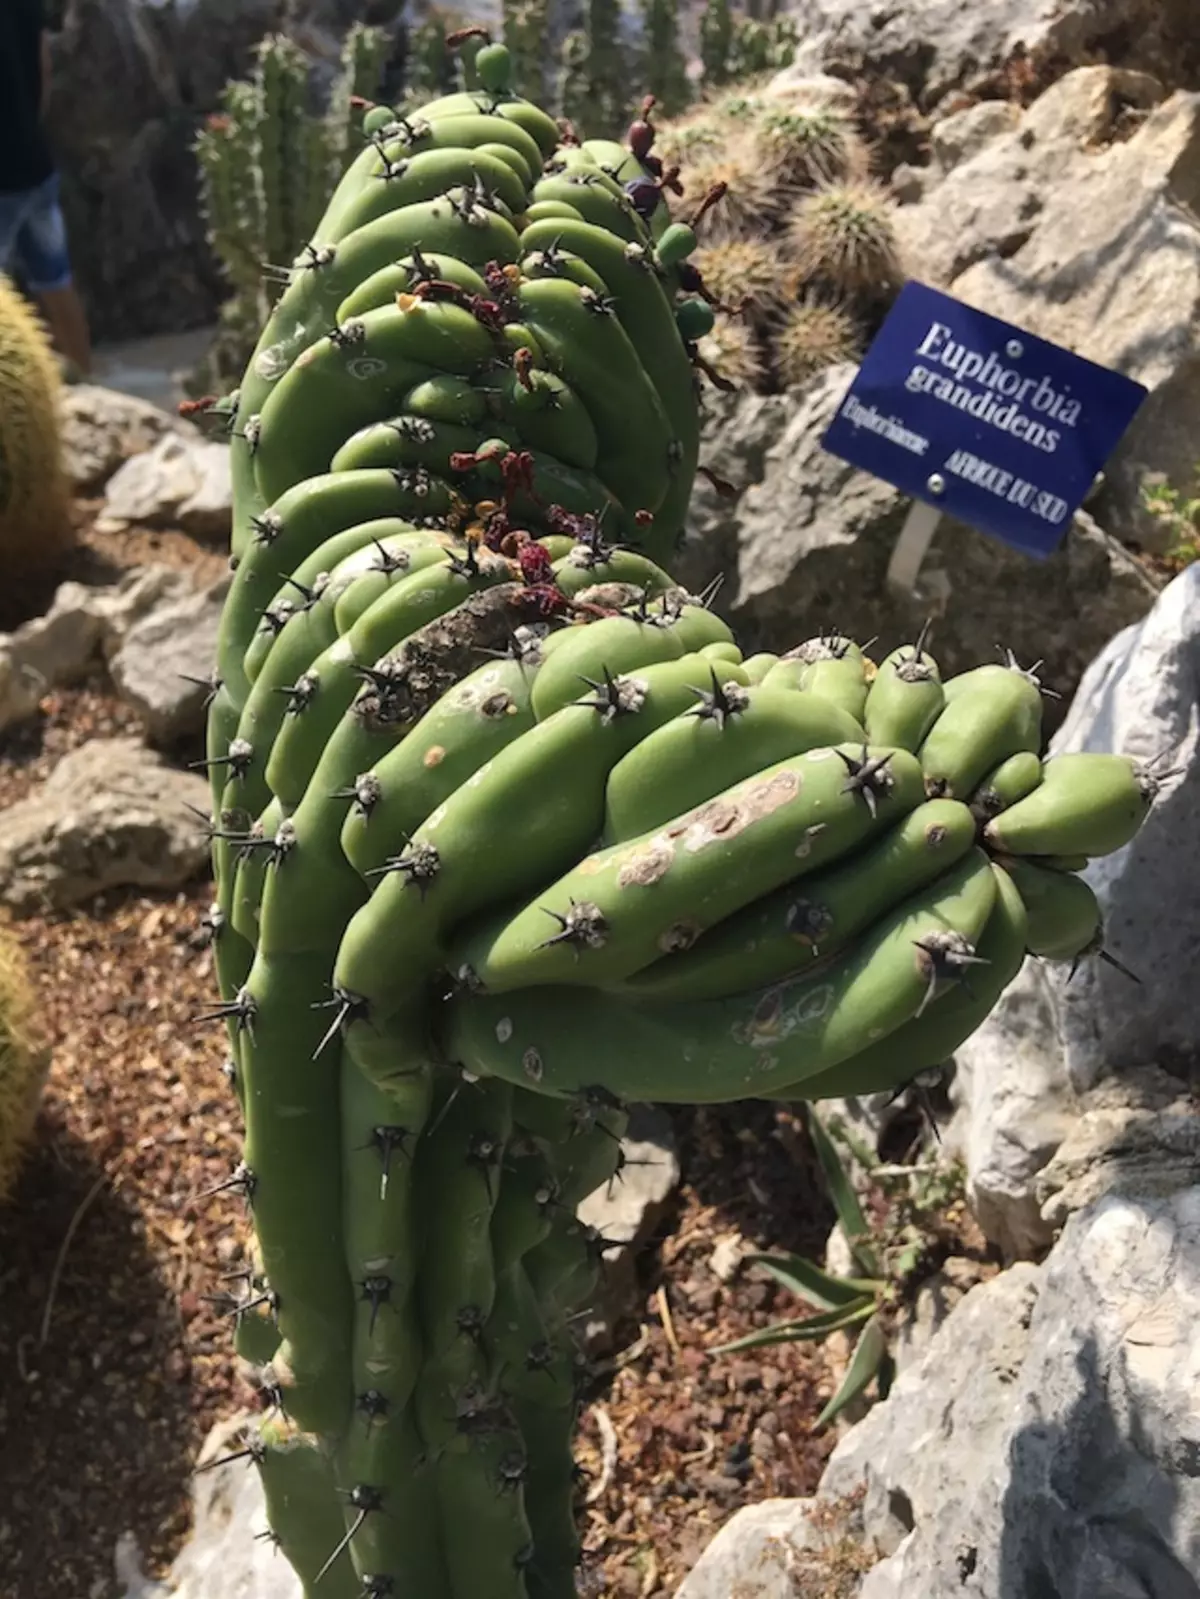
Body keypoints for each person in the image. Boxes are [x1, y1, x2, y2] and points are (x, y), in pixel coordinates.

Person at [0, 0, 91, 375]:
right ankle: (88, 383)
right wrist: (28, 130)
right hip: (35, 164)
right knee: (56, 282)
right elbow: (44, 66)